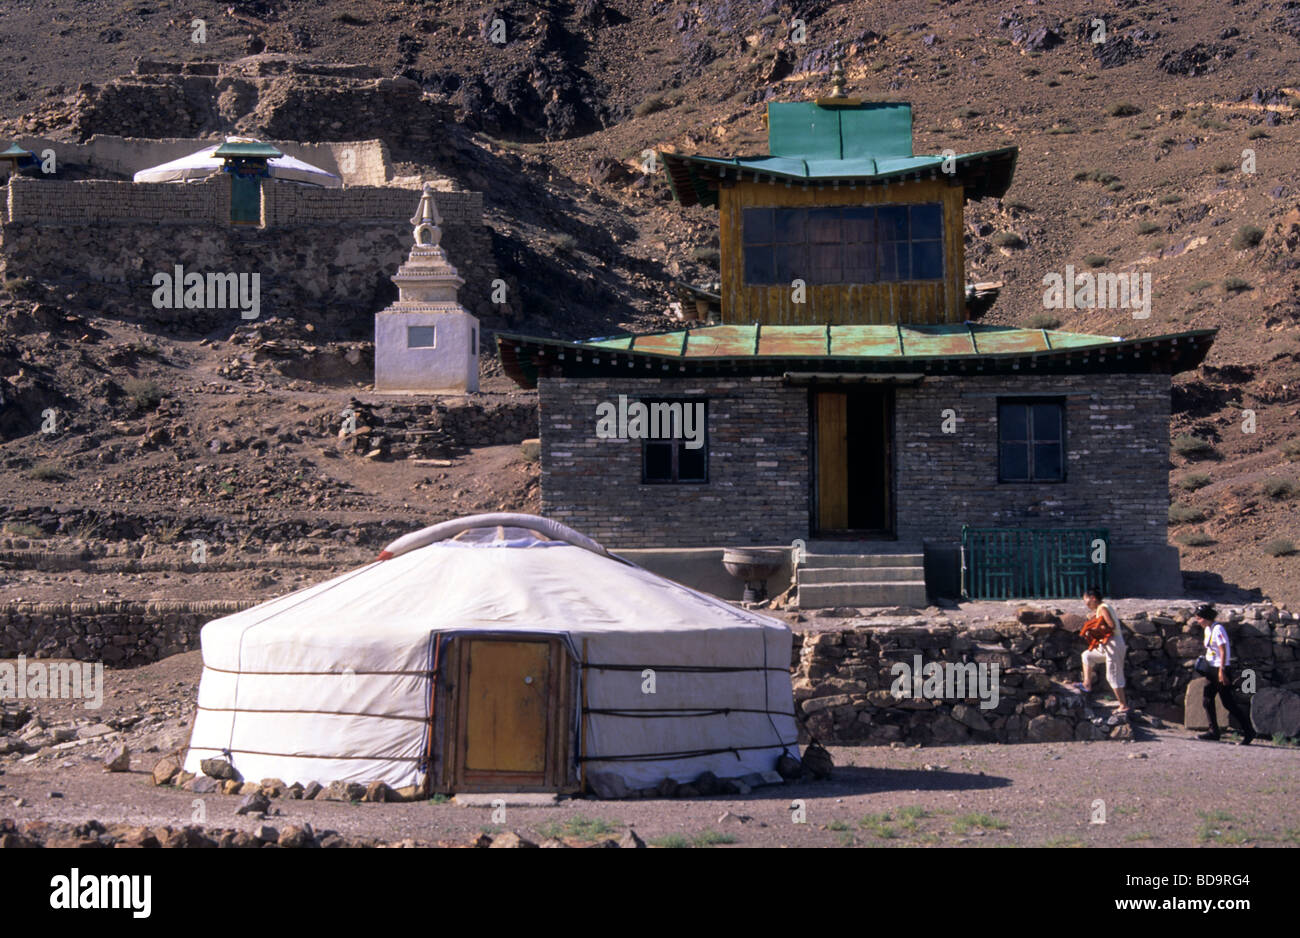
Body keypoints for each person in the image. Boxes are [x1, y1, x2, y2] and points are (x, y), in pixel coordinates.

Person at [1192, 603, 1255, 745]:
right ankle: (1213, 731)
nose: (1198, 621)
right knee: (1207, 700)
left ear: (1206, 617)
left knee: (1228, 703)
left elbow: (1223, 650)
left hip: (1220, 670)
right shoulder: (1208, 629)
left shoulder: (1218, 629)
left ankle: (1248, 731)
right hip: (1211, 669)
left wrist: (1222, 671)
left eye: (1199, 618)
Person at [1074, 589, 1129, 719]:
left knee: (1113, 675)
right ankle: (1087, 684)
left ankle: (1123, 705)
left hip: (1113, 645)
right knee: (1087, 655)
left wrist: (1096, 631)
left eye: (1085, 599)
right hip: (1108, 645)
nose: (1085, 603)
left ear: (1093, 598)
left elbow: (1111, 625)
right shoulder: (1102, 608)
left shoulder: (1103, 608)